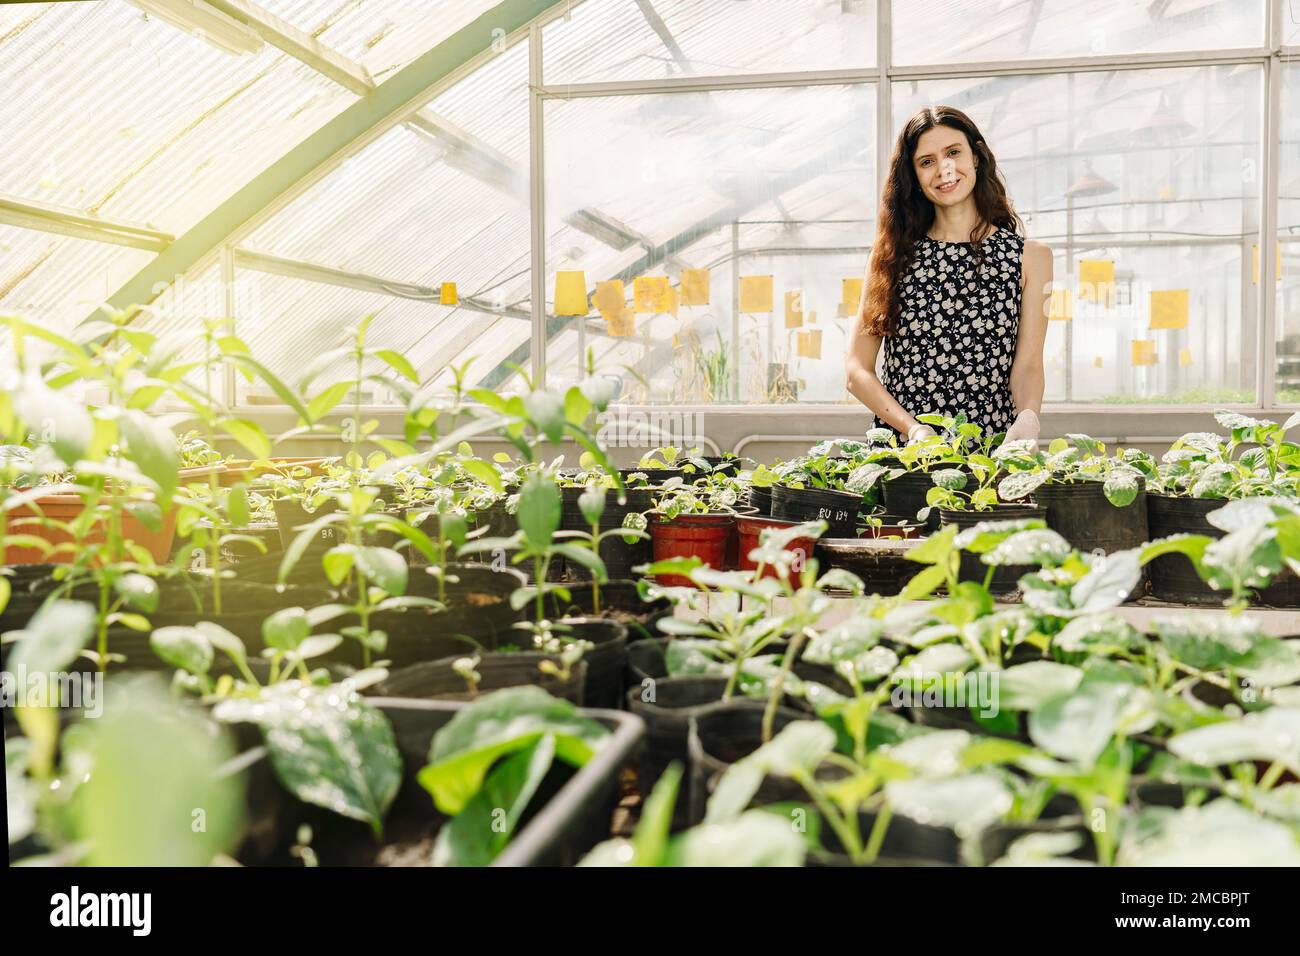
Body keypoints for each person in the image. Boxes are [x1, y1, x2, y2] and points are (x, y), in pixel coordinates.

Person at [845, 105, 1051, 449]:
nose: (944, 169)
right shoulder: (891, 257)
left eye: (953, 153)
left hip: (991, 453)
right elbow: (857, 371)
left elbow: (1028, 364)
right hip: (907, 456)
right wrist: (913, 430)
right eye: (927, 161)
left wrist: (1028, 416)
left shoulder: (1031, 257)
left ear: (977, 158)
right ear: (913, 176)